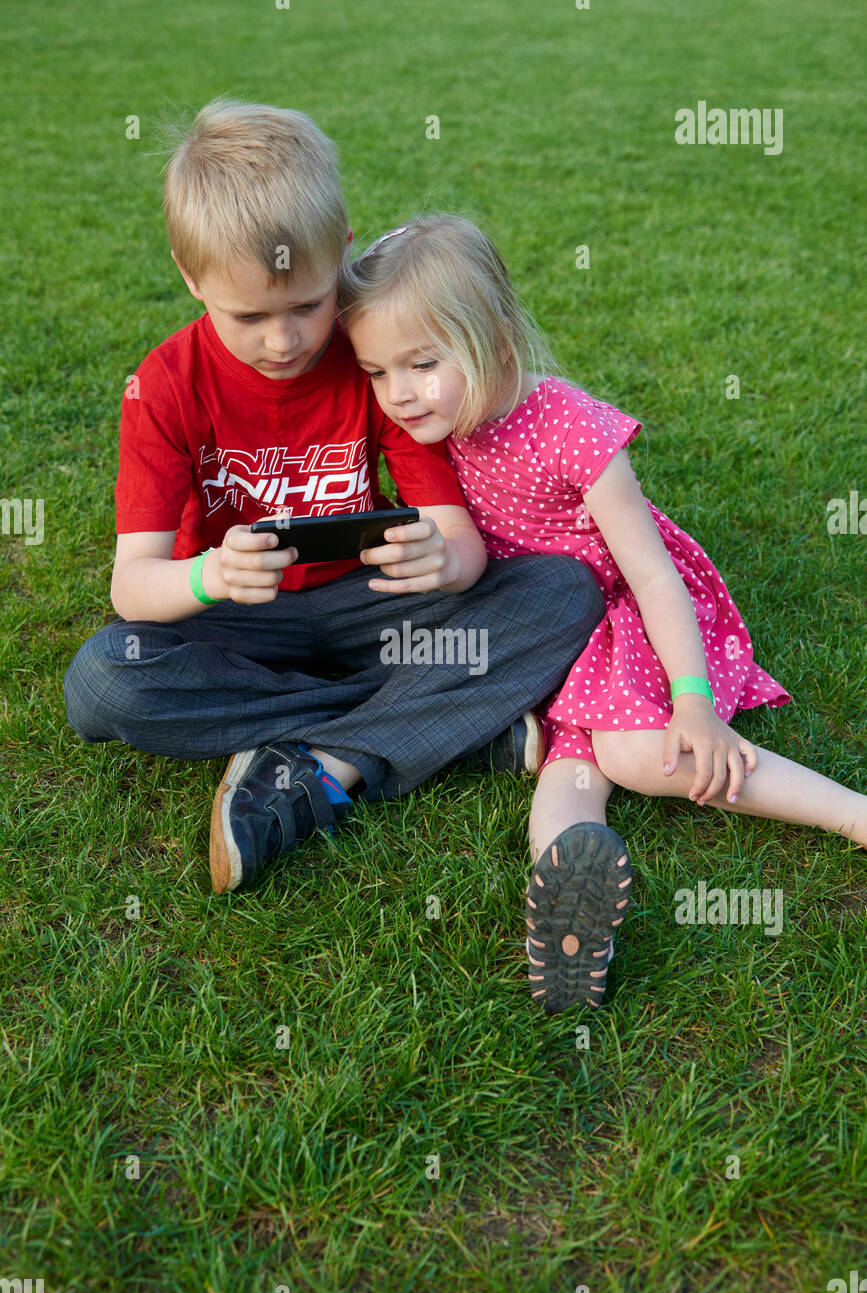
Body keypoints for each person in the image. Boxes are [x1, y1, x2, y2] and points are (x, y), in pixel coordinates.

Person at [63, 102, 607, 898]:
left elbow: (461, 543)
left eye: (308, 305)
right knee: (105, 681)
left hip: (372, 608)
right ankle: (449, 727)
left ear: (342, 252)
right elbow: (132, 586)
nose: (282, 341)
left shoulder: (370, 358)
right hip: (240, 623)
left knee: (562, 589)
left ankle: (321, 759)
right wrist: (210, 575)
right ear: (191, 276)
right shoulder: (165, 386)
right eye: (248, 315)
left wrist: (444, 560)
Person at [337, 212, 867, 1014]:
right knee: (565, 787)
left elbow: (653, 577)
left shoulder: (571, 430)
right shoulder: (438, 429)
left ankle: (851, 814)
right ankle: (568, 920)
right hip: (547, 633)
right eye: (377, 372)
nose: (398, 393)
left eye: (421, 363)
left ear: (497, 342)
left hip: (625, 615)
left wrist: (693, 702)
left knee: (628, 756)